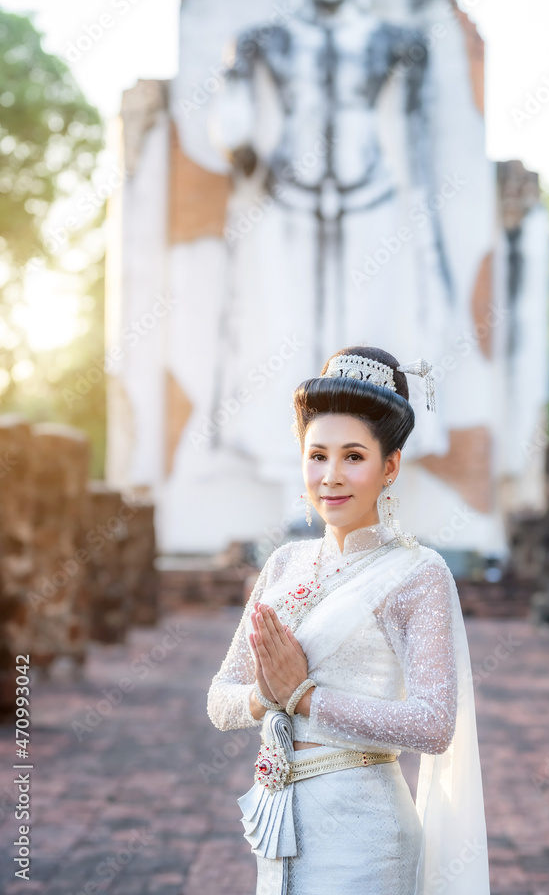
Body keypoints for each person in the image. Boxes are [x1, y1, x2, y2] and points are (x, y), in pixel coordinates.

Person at [206, 346, 489, 894]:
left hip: (366, 835)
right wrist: (267, 697)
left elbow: (434, 725)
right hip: (279, 823)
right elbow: (220, 700)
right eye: (317, 455)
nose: (331, 476)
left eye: (353, 457)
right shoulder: (284, 563)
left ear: (390, 466)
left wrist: (305, 697)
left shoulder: (417, 573)